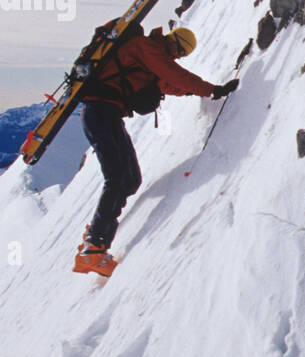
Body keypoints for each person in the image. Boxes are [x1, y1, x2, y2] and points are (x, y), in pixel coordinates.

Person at [73, 25, 238, 276]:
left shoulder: (148, 60)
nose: (178, 55)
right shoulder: (146, 48)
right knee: (116, 178)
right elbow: (173, 74)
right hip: (99, 111)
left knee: (130, 180)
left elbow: (170, 84)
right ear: (173, 40)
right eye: (179, 49)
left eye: (183, 53)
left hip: (109, 114)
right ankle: (93, 248)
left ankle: (96, 232)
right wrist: (211, 89)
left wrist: (206, 93)